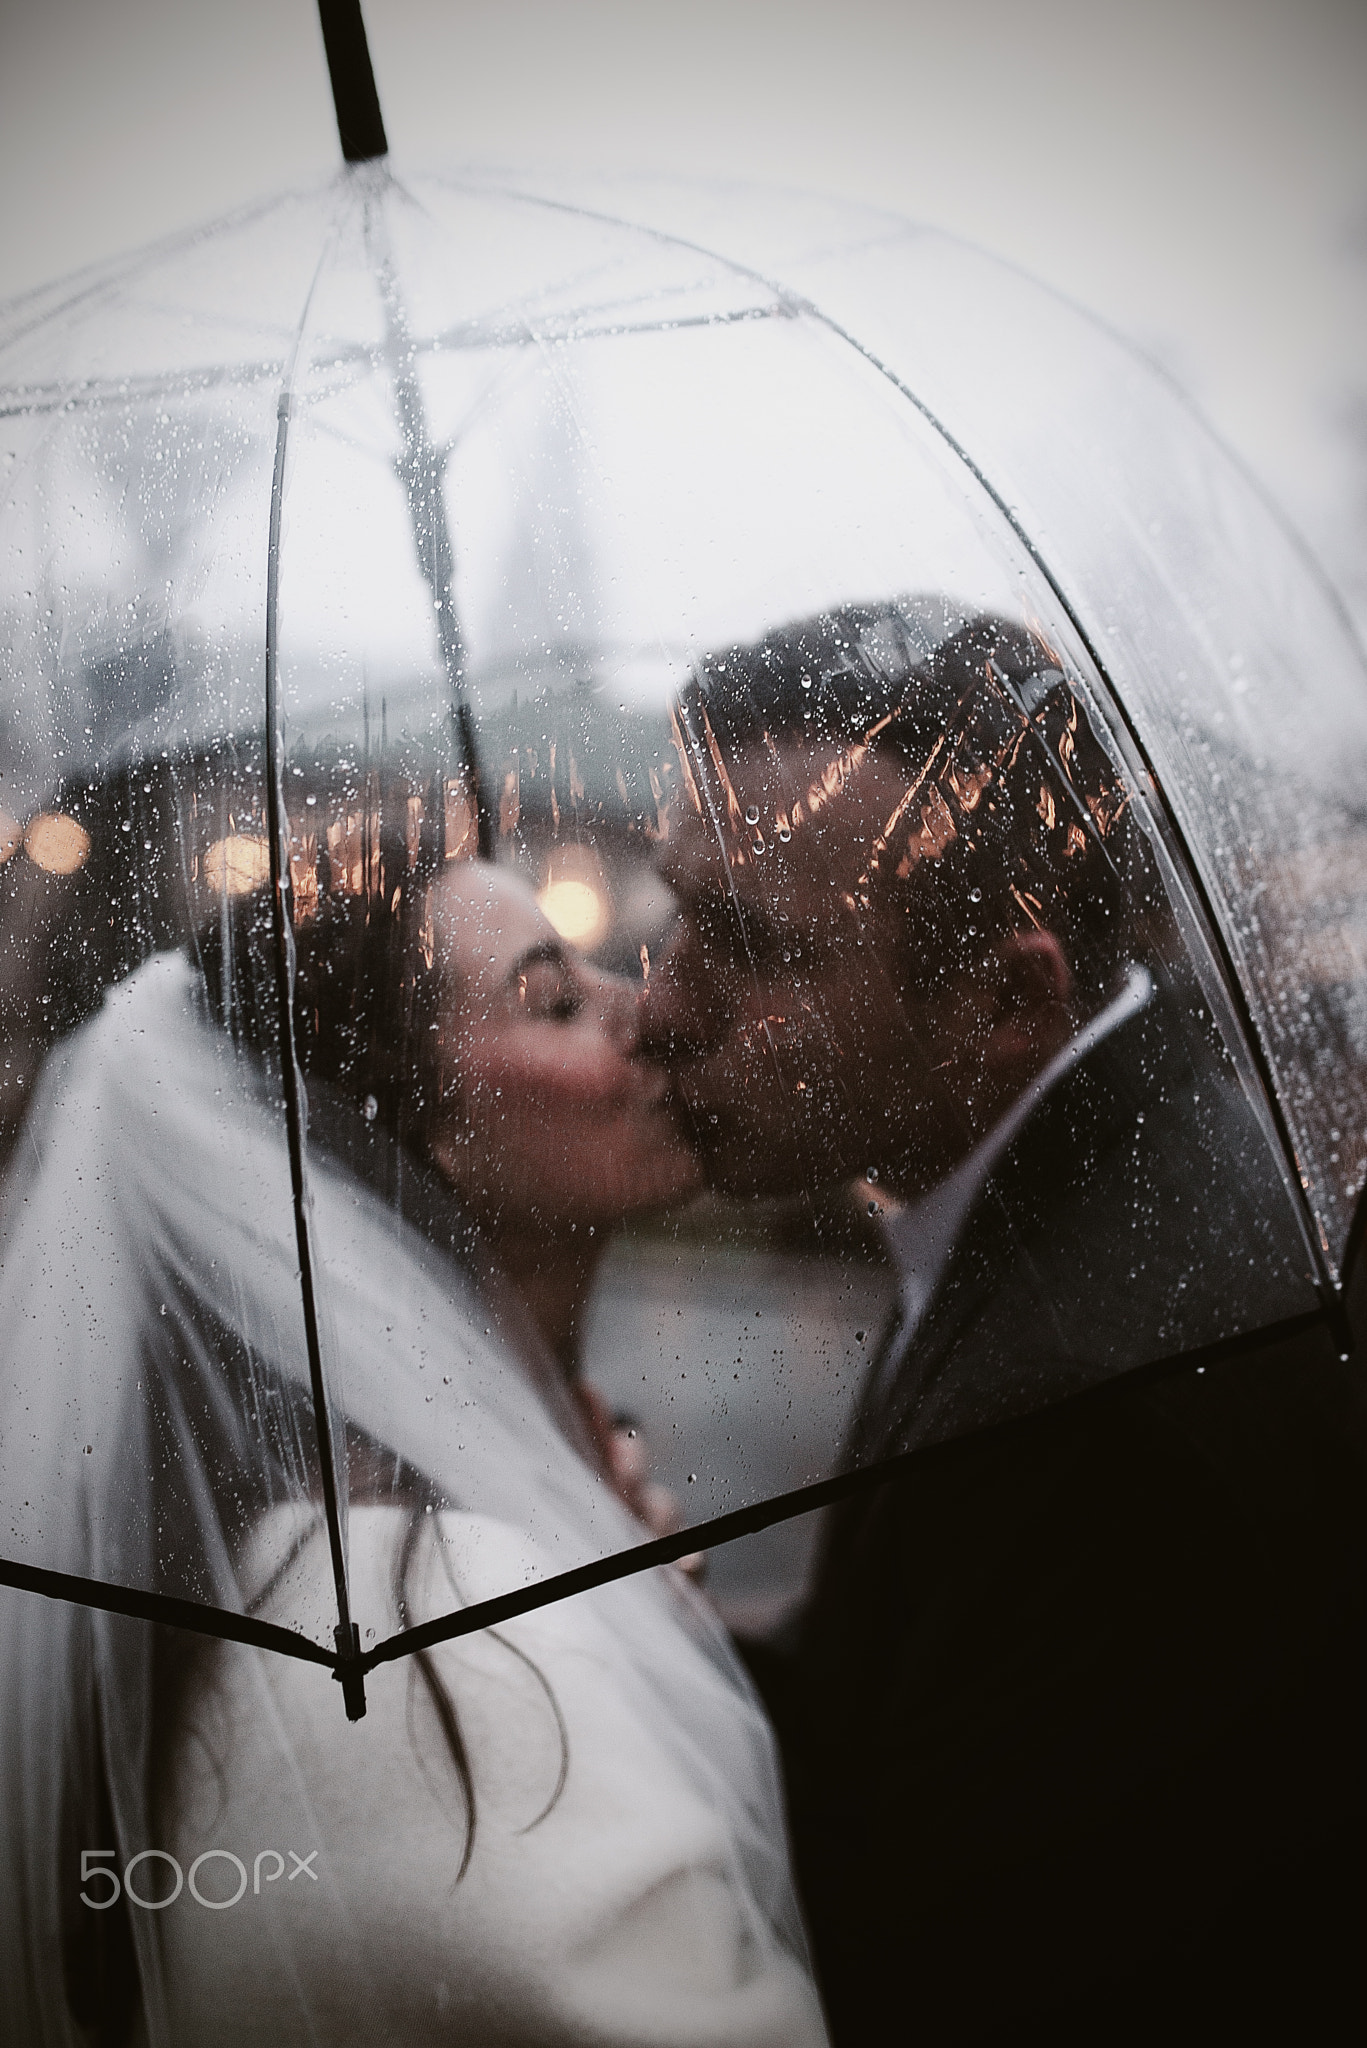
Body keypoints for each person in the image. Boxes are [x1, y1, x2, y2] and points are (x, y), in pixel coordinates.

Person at [641, 601, 1367, 2042]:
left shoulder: (1087, 1414)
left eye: (742, 941)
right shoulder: (1096, 1176)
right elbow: (921, 1674)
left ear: (1000, 999)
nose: (659, 1005)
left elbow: (933, 1948)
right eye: (671, 912)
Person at [0, 852, 828, 2046]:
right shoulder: (423, 1636)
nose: (639, 1007)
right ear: (394, 1140)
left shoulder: (461, 1559)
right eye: (553, 998)